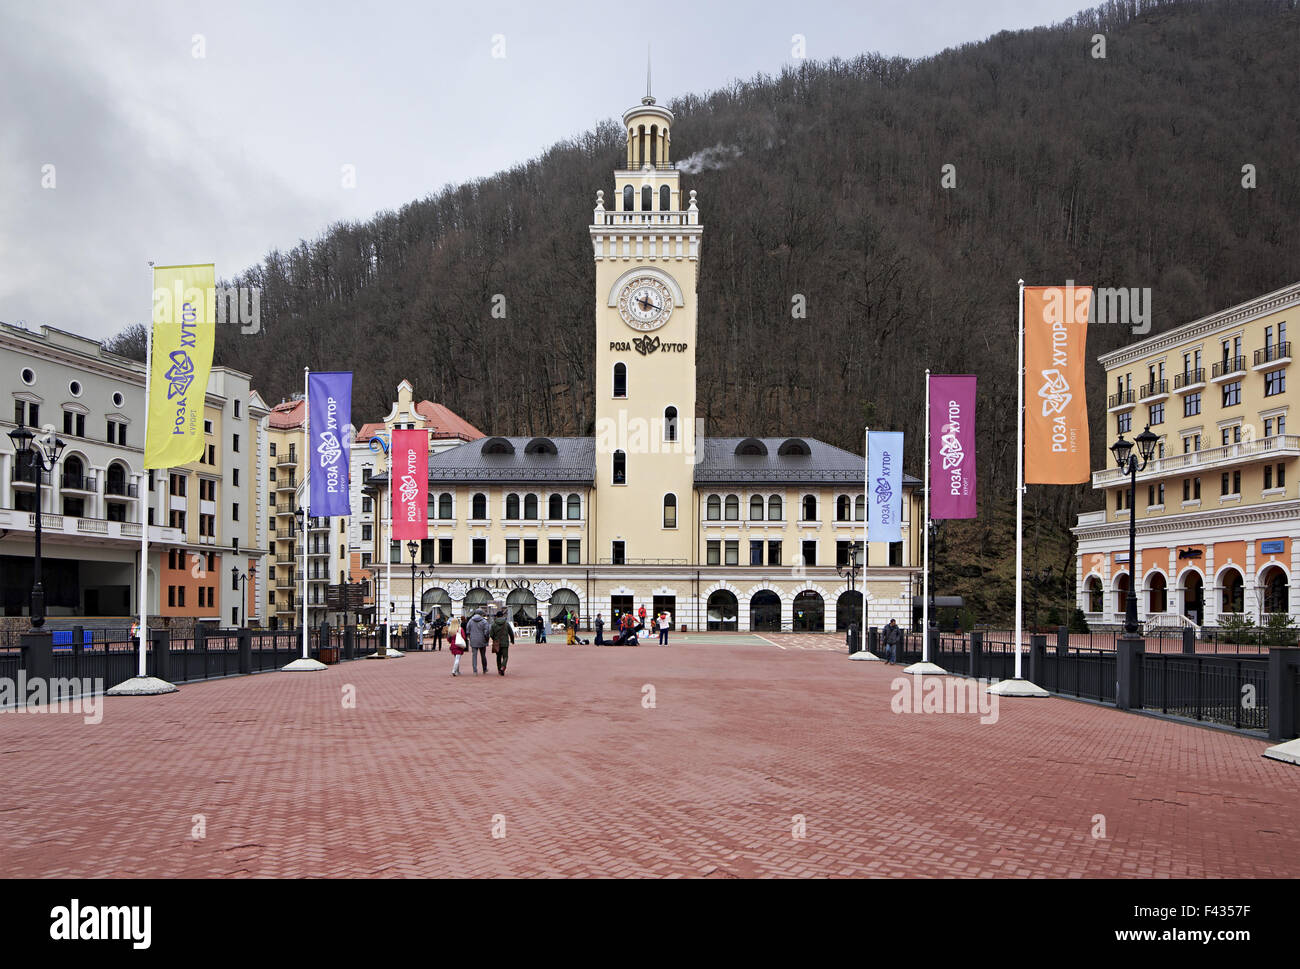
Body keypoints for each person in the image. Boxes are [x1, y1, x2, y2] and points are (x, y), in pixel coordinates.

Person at [466, 607, 491, 675]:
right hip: (482, 640)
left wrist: (470, 637)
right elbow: (486, 632)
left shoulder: (470, 620)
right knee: (483, 655)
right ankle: (484, 669)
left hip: (473, 640)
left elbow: (467, 630)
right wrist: (486, 639)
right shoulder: (484, 621)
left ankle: (475, 670)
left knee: (474, 656)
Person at [491, 607, 515, 675]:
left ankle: (499, 669)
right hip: (505, 642)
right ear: (502, 616)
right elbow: (511, 633)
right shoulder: (506, 623)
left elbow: (491, 634)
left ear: (497, 616)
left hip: (497, 643)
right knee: (505, 656)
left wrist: (494, 639)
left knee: (498, 657)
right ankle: (503, 667)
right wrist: (512, 640)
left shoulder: (493, 624)